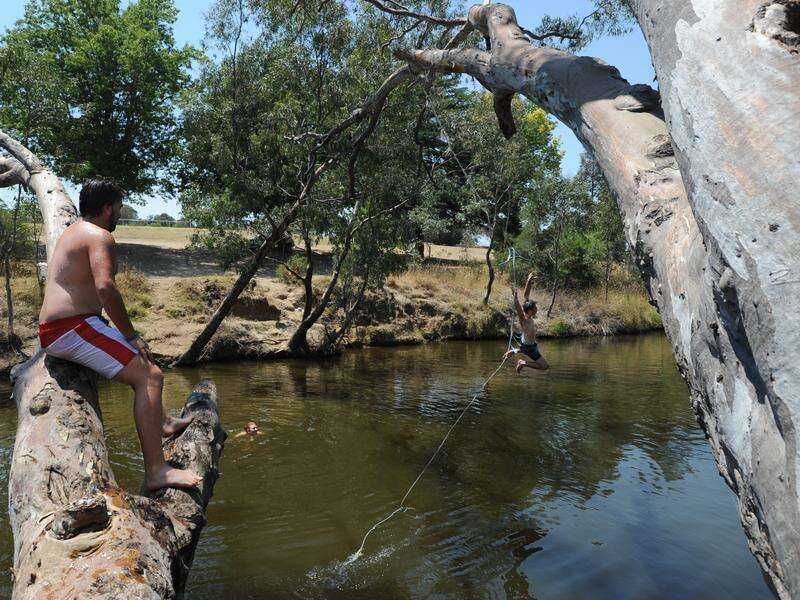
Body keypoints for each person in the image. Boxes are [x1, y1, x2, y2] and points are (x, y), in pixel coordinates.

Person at [37, 178, 202, 492]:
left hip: (67, 326)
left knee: (147, 369)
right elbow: (105, 287)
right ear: (107, 208)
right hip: (69, 328)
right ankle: (156, 471)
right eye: (119, 207)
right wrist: (131, 334)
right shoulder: (99, 235)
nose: (120, 213)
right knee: (151, 376)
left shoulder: (75, 230)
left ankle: (164, 422)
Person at [503, 272, 550, 374]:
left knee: (527, 349)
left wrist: (529, 280)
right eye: (535, 308)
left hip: (530, 344)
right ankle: (523, 363)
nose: (536, 309)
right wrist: (515, 298)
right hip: (529, 348)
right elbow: (519, 310)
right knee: (544, 366)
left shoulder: (529, 314)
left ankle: (514, 351)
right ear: (529, 310)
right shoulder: (524, 319)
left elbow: (526, 295)